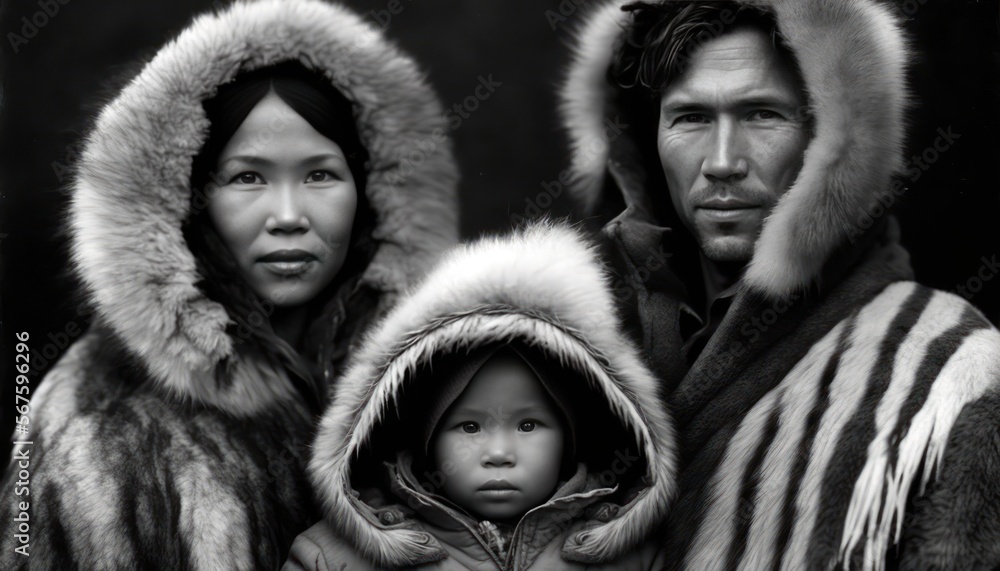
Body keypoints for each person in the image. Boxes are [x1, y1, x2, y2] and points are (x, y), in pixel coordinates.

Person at [0, 0, 457, 568]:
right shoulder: (98, 446)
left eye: (320, 174)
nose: (289, 214)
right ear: (188, 201)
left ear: (370, 196)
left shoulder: (445, 385)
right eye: (247, 177)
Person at [560, 0, 1000, 569]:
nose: (721, 162)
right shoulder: (568, 353)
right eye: (691, 117)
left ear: (833, 141)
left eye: (763, 114)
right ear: (648, 141)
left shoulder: (952, 375)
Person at [283, 223, 677, 570]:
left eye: (528, 424)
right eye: (469, 426)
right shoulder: (333, 557)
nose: (499, 453)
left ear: (571, 440)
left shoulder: (633, 558)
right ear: (428, 443)